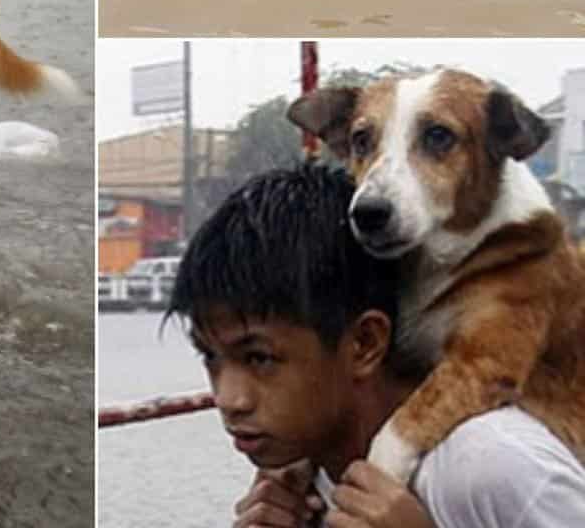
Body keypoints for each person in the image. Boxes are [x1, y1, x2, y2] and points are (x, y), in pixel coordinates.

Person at [166, 162, 585, 527]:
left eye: (259, 358)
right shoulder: (306, 481)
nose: (228, 398)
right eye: (210, 357)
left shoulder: (493, 467)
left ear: (366, 343)